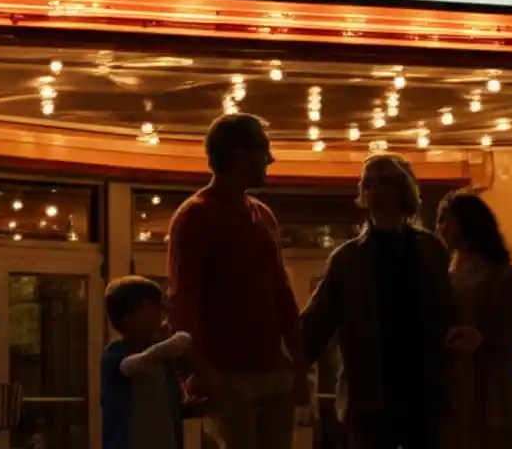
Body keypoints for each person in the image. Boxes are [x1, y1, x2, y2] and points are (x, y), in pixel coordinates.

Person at [302, 153, 473, 449]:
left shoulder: (430, 250)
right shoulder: (347, 259)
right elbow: (316, 322)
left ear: (403, 190)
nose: (374, 191)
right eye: (367, 184)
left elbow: (449, 312)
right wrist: (288, 365)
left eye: (384, 183)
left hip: (424, 389)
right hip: (370, 395)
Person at [167, 113, 309, 449]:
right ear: (241, 155)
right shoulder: (195, 216)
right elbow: (184, 299)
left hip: (271, 372)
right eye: (265, 150)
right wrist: (204, 372)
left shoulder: (263, 215)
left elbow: (281, 291)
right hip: (227, 375)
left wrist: (298, 365)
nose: (270, 160)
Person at [435, 189, 512, 449]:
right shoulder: (443, 273)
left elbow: (511, 331)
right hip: (455, 386)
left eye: (445, 220)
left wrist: (480, 340)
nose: (439, 228)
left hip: (492, 390)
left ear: (466, 224)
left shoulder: (503, 275)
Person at [101, 276, 194, 449]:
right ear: (127, 316)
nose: (161, 314)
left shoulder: (162, 360)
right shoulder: (115, 353)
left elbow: (176, 405)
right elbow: (131, 366)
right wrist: (171, 344)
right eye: (151, 307)